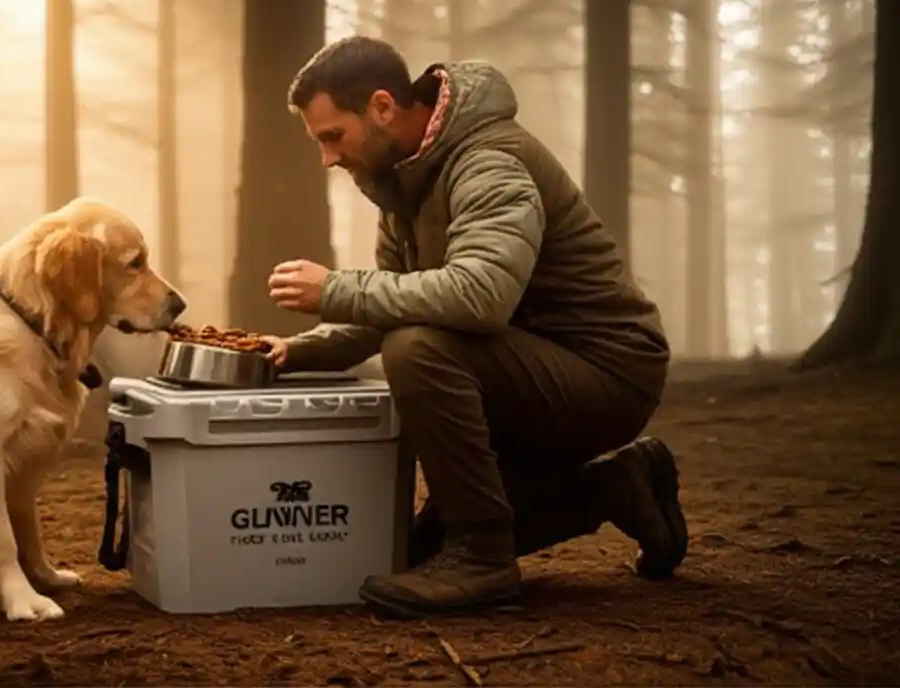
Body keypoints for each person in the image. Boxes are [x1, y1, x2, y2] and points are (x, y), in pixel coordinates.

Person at [261, 36, 688, 620]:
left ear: (383, 107)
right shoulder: (401, 185)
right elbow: (393, 302)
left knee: (417, 350)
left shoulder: (487, 161)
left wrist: (335, 289)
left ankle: (483, 560)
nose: (328, 159)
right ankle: (619, 487)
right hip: (526, 369)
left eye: (333, 136)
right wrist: (290, 352)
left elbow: (482, 297)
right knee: (414, 552)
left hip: (607, 372)